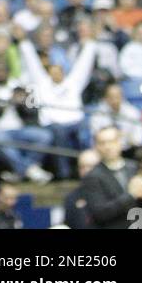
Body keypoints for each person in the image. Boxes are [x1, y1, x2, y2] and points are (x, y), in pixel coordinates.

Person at [20, 37, 97, 179]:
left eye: (58, 71)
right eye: (52, 71)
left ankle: (91, 168)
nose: (55, 74)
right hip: (52, 124)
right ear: (49, 72)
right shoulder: (41, 83)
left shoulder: (73, 82)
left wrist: (91, 44)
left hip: (75, 122)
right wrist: (24, 42)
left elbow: (84, 65)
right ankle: (64, 174)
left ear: (63, 72)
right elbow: (32, 63)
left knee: (86, 129)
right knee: (59, 133)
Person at [84, 124, 142, 229]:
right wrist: (131, 195)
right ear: (96, 146)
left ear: (120, 142)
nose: (107, 147)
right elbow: (100, 213)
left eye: (112, 141)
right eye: (102, 143)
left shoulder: (134, 167)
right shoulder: (92, 177)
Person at [90, 82, 142, 151]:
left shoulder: (133, 113)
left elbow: (140, 140)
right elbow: (95, 138)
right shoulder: (98, 114)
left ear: (122, 96)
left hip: (129, 149)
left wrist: (127, 137)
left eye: (117, 96)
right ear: (105, 98)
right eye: (111, 97)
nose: (114, 100)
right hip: (106, 150)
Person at [62, 148, 102, 229]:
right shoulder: (71, 197)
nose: (86, 170)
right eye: (82, 167)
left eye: (91, 166)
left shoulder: (112, 192)